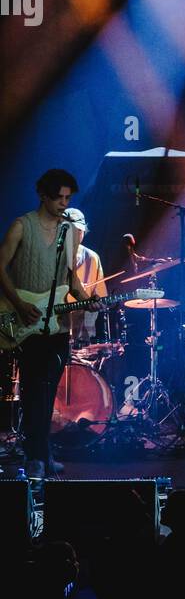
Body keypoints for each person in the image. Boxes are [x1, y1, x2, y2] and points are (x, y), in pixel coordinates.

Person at [0, 169, 99, 479]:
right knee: (33, 391)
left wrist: (87, 297)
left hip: (57, 325)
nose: (64, 204)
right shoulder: (21, 226)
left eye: (68, 198)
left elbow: (71, 279)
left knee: (48, 391)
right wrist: (18, 303)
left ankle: (43, 455)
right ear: (43, 195)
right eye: (59, 198)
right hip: (27, 321)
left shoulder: (68, 231)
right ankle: (34, 457)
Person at [64, 209, 109, 345]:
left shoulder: (92, 258)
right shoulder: (50, 254)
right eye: (70, 230)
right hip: (54, 329)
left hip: (83, 333)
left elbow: (100, 295)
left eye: (79, 231)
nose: (76, 235)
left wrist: (95, 301)